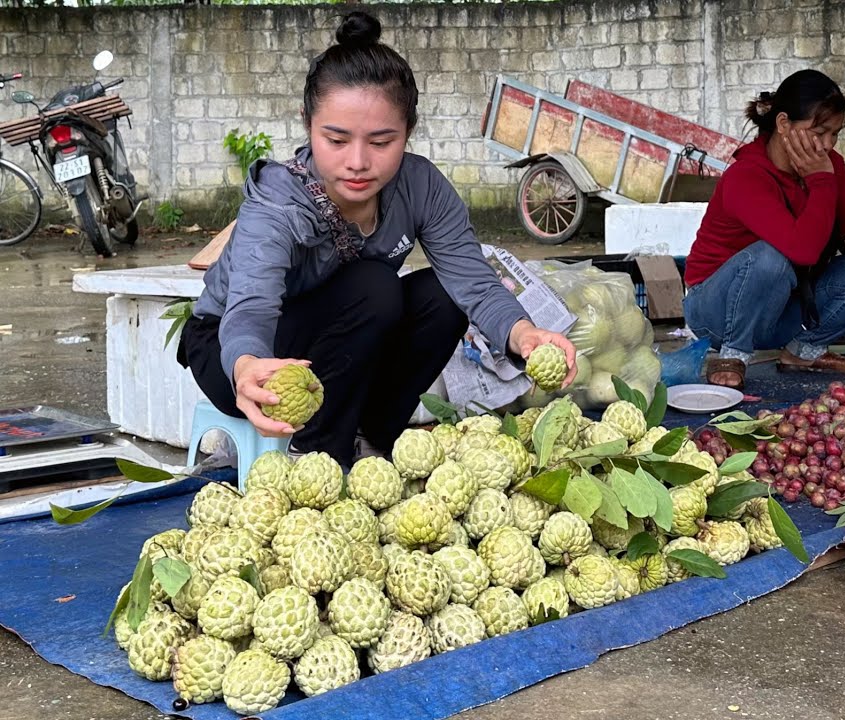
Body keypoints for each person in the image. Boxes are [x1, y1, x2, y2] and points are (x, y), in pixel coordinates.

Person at [178, 11, 576, 468]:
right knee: (375, 286)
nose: (359, 162)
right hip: (233, 352)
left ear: (408, 132)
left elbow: (476, 284)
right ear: (308, 125)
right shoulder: (278, 200)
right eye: (337, 140)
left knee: (440, 296)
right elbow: (251, 304)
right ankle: (315, 458)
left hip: (335, 346)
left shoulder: (421, 187)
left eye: (382, 142)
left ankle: (371, 441)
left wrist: (524, 335)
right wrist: (246, 364)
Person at [682, 69, 845, 391]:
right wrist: (821, 181)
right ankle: (732, 354)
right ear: (783, 125)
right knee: (770, 257)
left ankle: (803, 351)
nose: (827, 145)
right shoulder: (746, 176)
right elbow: (802, 250)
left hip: (780, 308)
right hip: (715, 313)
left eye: (835, 134)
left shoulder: (830, 165)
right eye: (818, 132)